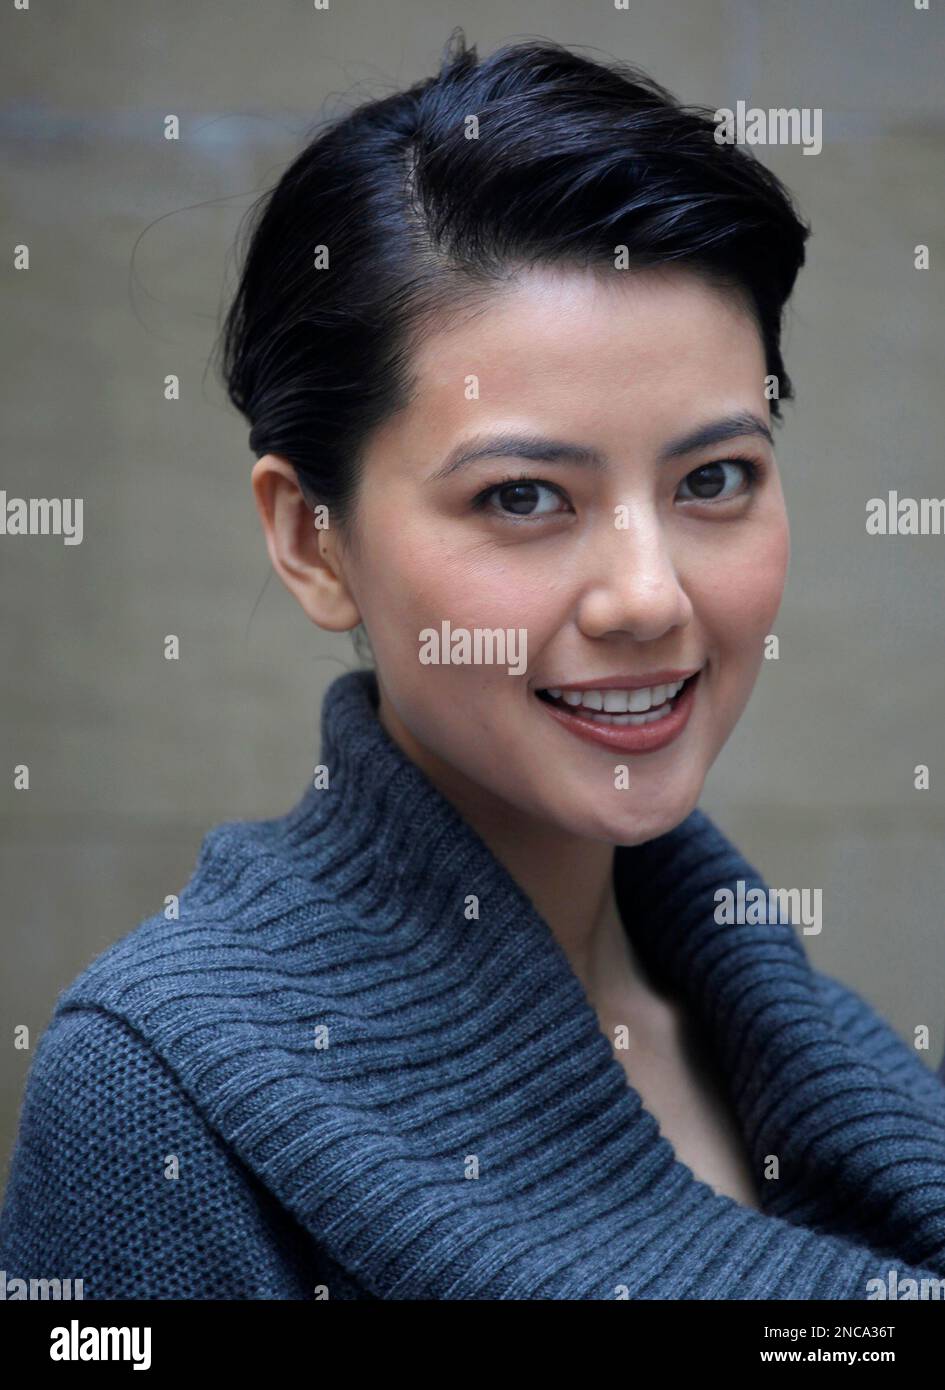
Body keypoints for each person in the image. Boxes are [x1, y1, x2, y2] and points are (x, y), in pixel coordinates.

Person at [2, 33, 944, 1301]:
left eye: (714, 479)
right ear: (310, 537)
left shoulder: (834, 1059)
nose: (648, 597)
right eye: (522, 497)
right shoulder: (159, 1094)